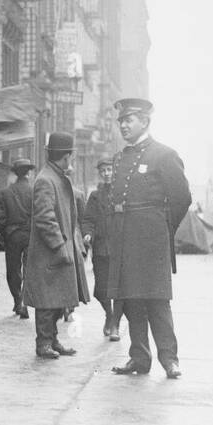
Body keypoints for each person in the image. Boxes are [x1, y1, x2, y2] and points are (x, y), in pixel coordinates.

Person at [105, 98, 192, 379]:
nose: (123, 126)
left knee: (157, 300)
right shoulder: (120, 158)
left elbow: (182, 198)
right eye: (121, 121)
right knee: (131, 300)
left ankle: (169, 359)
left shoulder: (164, 155)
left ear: (145, 121)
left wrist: (163, 228)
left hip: (152, 239)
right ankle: (139, 358)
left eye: (129, 120)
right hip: (125, 237)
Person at [23, 132, 91, 359]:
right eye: (71, 156)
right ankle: (43, 343)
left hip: (56, 250)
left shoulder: (55, 176)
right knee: (46, 299)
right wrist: (60, 247)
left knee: (56, 298)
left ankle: (52, 340)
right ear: (67, 156)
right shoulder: (46, 179)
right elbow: (44, 218)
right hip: (50, 252)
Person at [82, 158, 123, 340]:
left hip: (119, 249)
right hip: (100, 249)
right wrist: (88, 233)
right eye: (103, 171)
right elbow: (88, 219)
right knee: (100, 289)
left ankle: (115, 325)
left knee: (120, 289)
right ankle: (109, 314)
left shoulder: (122, 194)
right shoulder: (95, 196)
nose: (107, 173)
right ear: (99, 173)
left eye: (109, 170)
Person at [0, 157, 35, 318]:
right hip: (31, 235)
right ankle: (25, 301)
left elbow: (0, 219)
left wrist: (7, 234)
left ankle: (18, 301)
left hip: (13, 236)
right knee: (29, 269)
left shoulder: (5, 192)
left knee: (13, 270)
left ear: (15, 173)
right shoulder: (34, 191)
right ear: (28, 173)